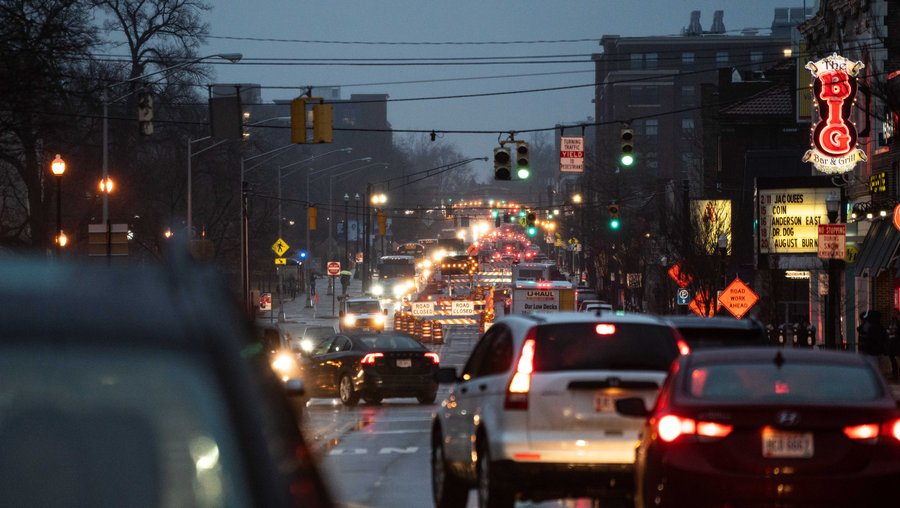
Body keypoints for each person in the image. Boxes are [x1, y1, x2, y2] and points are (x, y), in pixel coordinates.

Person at [887, 309, 900, 380]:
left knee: (897, 359)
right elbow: (888, 330)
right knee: (892, 359)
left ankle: (897, 374)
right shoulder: (890, 322)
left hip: (897, 343)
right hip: (891, 343)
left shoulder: (898, 322)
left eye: (895, 313)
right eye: (892, 313)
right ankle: (894, 374)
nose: (893, 314)